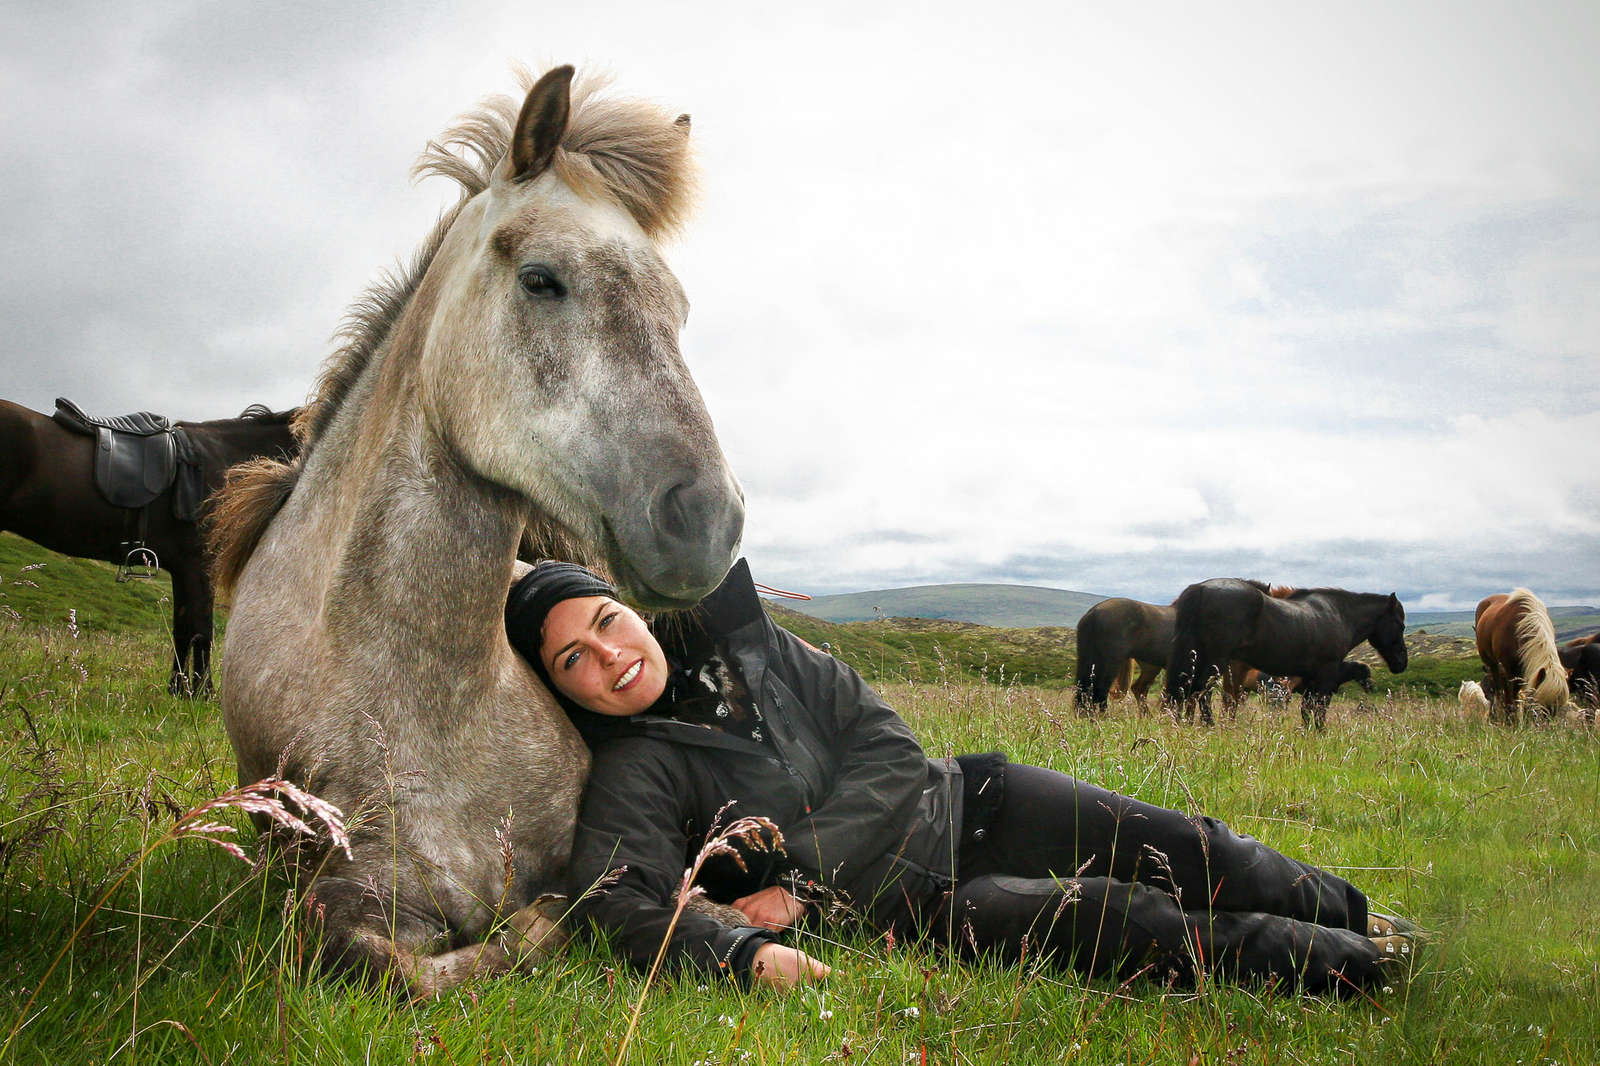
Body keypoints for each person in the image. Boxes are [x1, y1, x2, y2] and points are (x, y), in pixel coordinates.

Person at [505, 559, 1416, 993]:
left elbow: (891, 749)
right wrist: (744, 952)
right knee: (1123, 918)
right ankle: (1356, 964)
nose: (610, 659)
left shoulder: (758, 649)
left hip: (973, 798)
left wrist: (796, 875)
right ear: (561, 690)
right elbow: (618, 895)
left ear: (633, 608)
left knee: (1192, 844)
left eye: (606, 621)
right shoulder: (635, 768)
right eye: (574, 660)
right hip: (913, 906)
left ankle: (1356, 912)